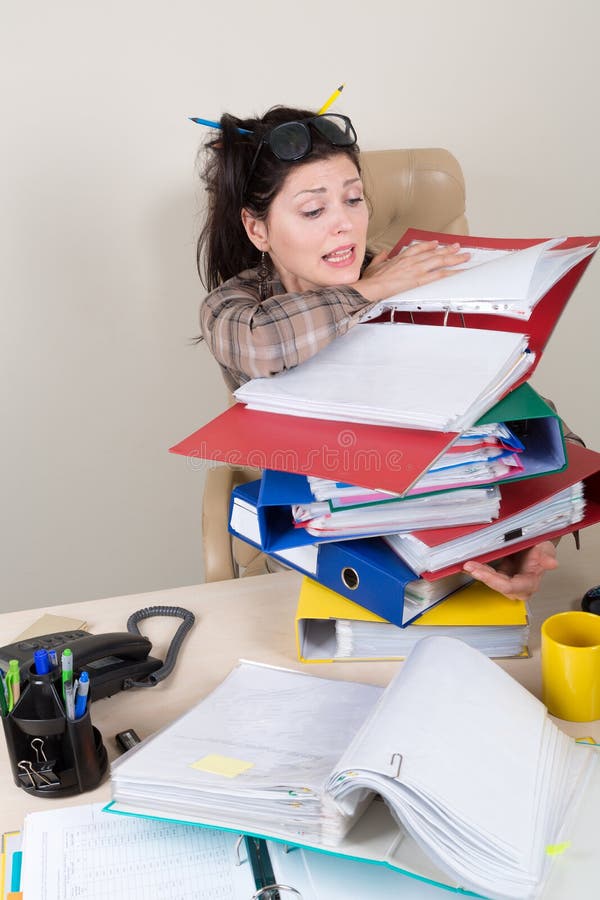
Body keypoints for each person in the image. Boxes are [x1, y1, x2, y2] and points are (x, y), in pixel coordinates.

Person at [195, 104, 572, 601]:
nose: (345, 226)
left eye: (354, 200)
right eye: (314, 210)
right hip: (322, 540)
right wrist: (373, 292)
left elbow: (527, 420)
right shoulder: (235, 306)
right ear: (257, 228)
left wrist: (529, 535)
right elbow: (264, 344)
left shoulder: (411, 280)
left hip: (439, 529)